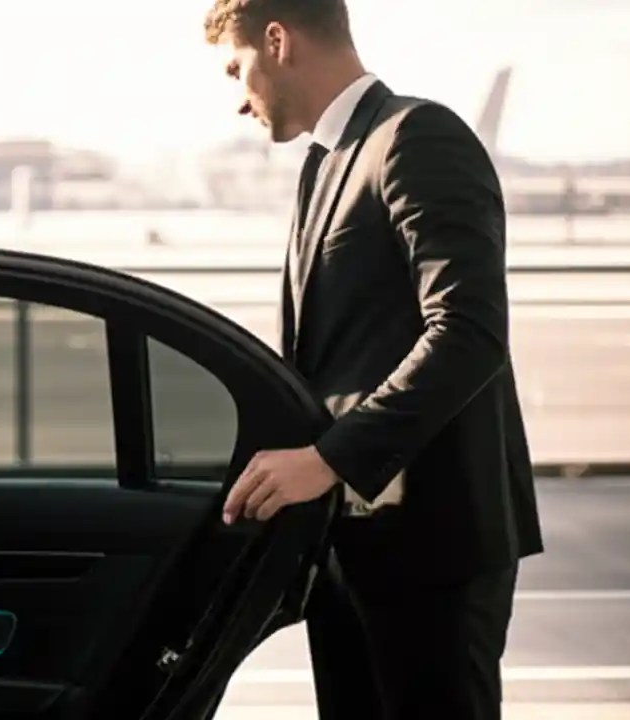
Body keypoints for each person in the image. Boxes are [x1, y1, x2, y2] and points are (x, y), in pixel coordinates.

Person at [203, 1, 544, 718]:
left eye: (237, 69)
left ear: (277, 40)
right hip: (353, 552)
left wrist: (329, 458)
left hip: (431, 551)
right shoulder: (329, 164)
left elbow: (469, 331)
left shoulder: (416, 137)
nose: (238, 98)